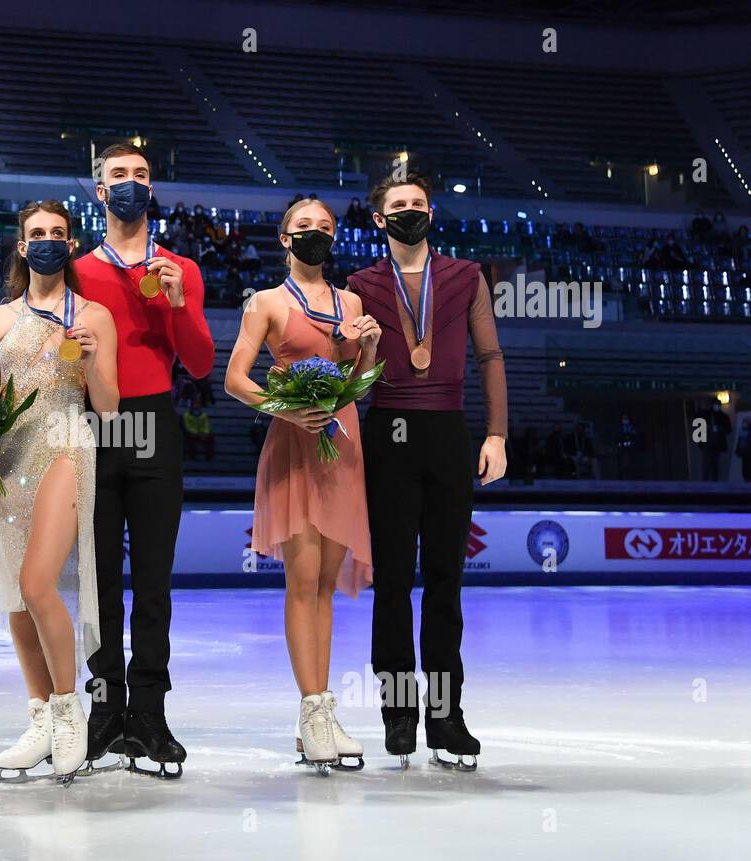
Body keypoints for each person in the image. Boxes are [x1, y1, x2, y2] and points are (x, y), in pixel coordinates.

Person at [346, 171, 507, 771]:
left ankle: (446, 715)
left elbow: (489, 354)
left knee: (444, 580)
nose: (410, 211)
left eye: (418, 203)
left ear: (431, 213)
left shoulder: (466, 277)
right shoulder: (360, 284)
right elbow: (353, 373)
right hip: (386, 431)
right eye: (398, 205)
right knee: (391, 581)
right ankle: (397, 712)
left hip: (446, 432)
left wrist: (497, 432)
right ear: (380, 220)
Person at [0, 200, 118, 783]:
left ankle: (70, 708)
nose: (48, 241)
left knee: (36, 583)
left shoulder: (94, 316)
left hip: (66, 442)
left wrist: (95, 362)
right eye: (37, 234)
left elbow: (108, 405)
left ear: (70, 244)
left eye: (58, 233)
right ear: (22, 246)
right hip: (12, 456)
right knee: (16, 597)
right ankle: (42, 715)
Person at [72, 143, 215, 777]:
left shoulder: (179, 266)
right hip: (92, 422)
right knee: (98, 583)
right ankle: (105, 714)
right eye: (118, 176)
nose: (130, 184)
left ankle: (149, 716)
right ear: (100, 192)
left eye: (141, 175)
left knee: (153, 583)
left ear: (151, 189)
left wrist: (179, 304)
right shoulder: (76, 270)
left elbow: (204, 363)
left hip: (155, 421)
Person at [225, 197, 380, 771]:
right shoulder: (265, 304)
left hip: (342, 446)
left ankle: (319, 712)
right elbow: (234, 378)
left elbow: (361, 384)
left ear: (333, 236)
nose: (314, 233)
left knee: (326, 586)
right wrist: (284, 411)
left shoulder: (353, 302)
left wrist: (369, 346)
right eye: (303, 227)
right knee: (303, 578)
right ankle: (312, 707)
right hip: (293, 445)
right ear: (284, 240)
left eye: (324, 227)